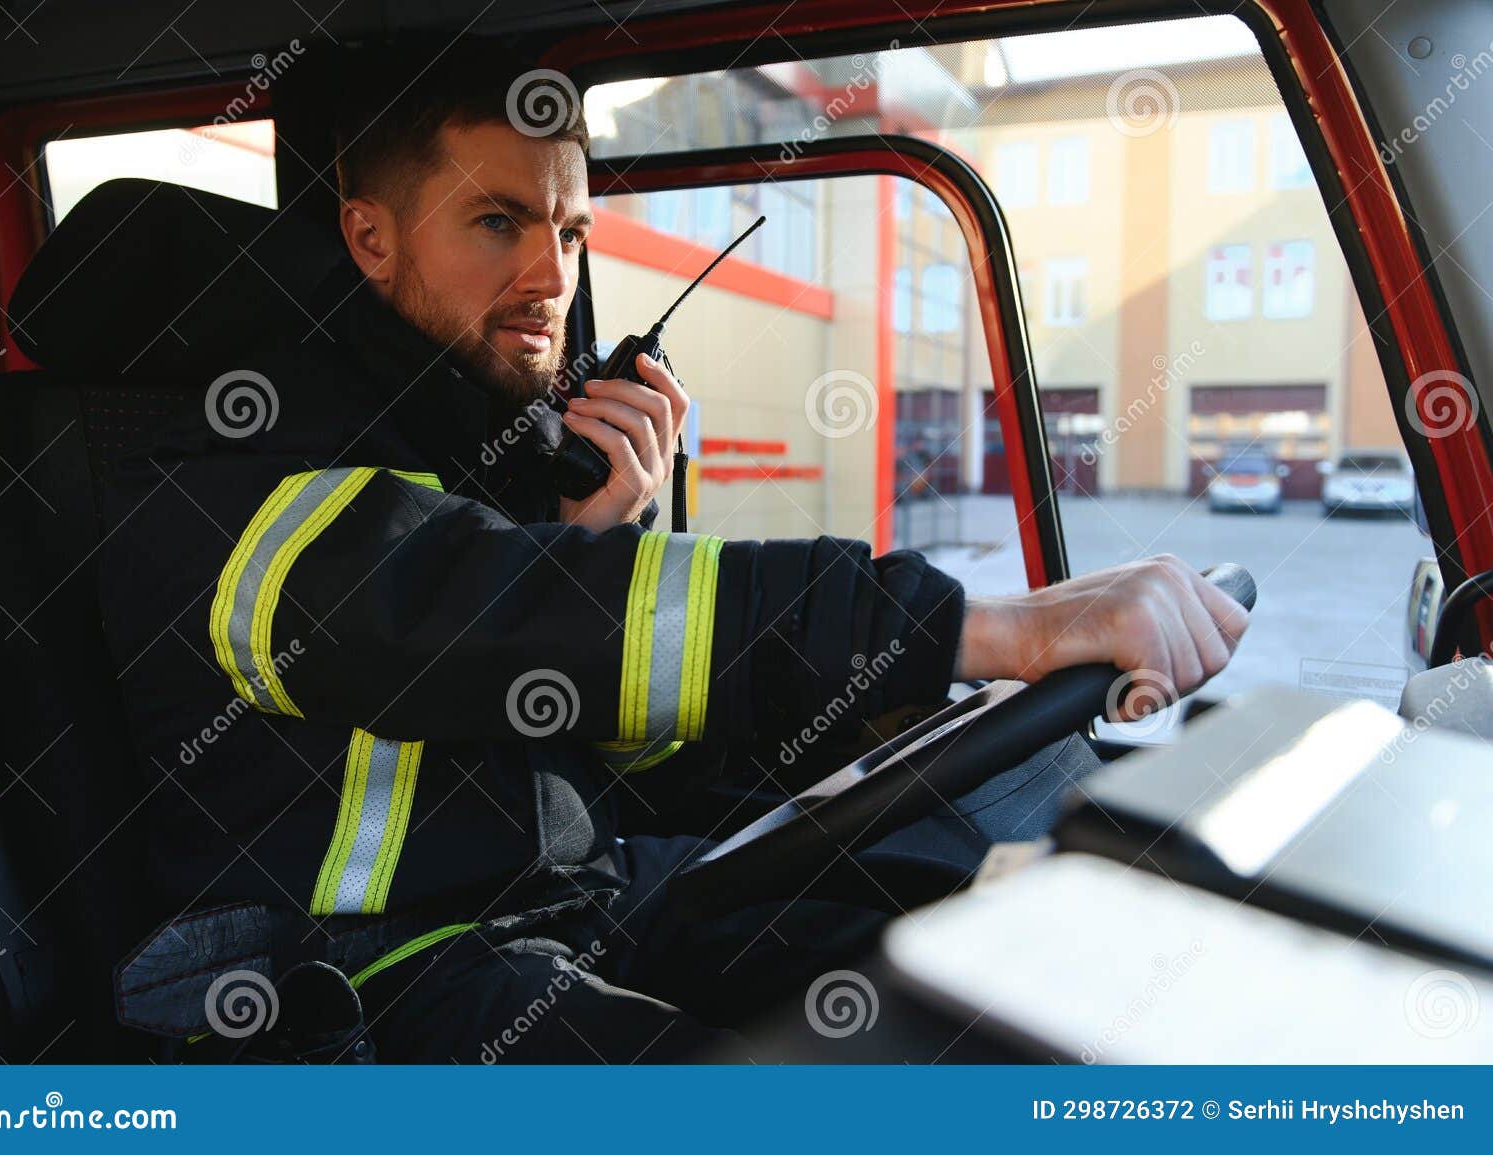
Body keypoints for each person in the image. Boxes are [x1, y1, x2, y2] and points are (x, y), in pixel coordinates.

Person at [98, 43, 1248, 1063]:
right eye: (497, 222)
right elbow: (454, 620)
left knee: (966, 966)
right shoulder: (233, 464)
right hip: (370, 985)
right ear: (372, 236)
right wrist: (988, 627)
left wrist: (606, 549)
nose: (550, 278)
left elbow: (597, 738)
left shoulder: (477, 459)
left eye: (570, 232)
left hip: (583, 909)